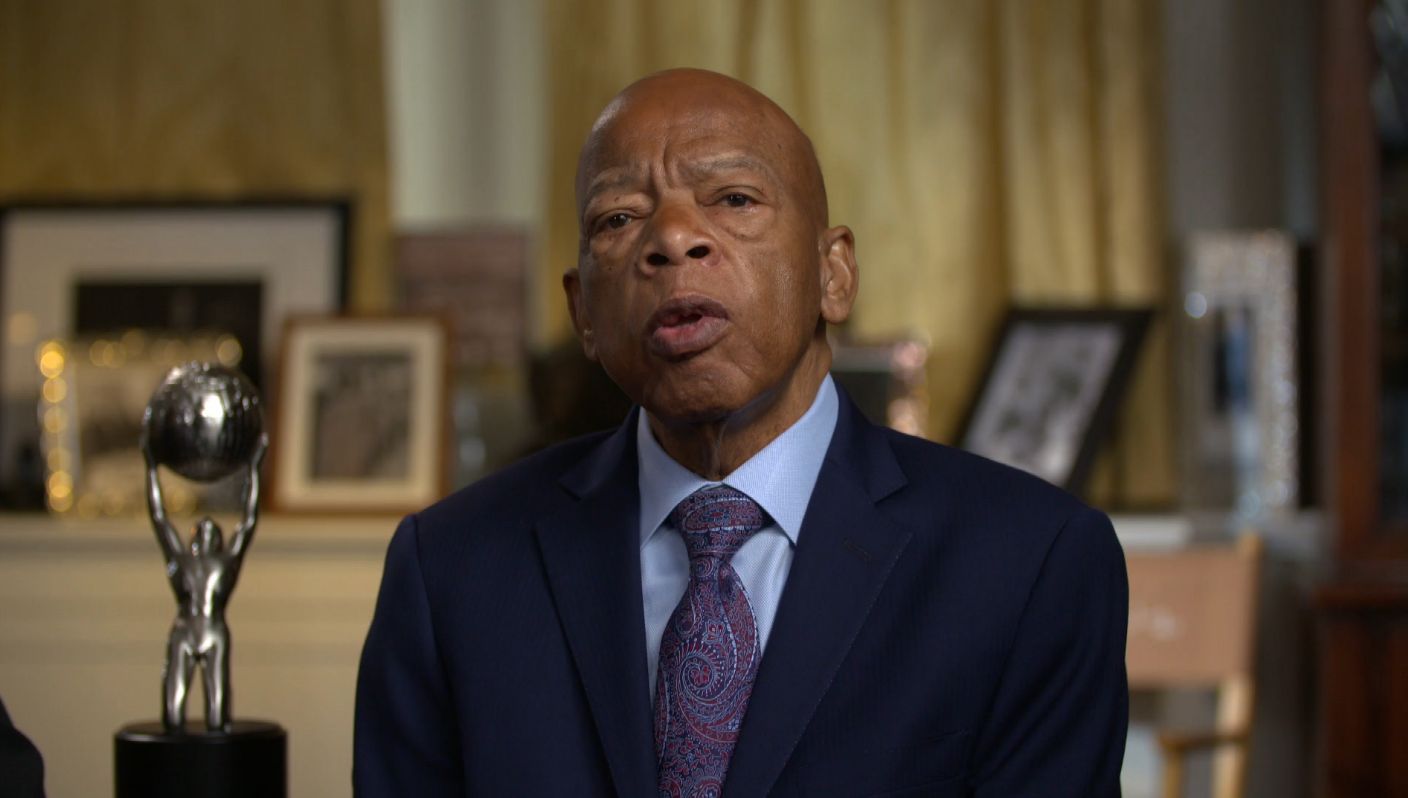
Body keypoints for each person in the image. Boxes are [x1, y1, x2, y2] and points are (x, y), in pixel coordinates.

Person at [354, 68, 1127, 796]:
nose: (673, 239)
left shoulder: (1030, 563)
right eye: (619, 218)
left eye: (732, 199)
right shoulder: (450, 569)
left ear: (834, 274)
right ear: (583, 312)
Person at [143, 433, 267, 731]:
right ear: (194, 539)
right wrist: (151, 468)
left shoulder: (227, 562)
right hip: (184, 631)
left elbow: (249, 520)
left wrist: (254, 467)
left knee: (217, 717)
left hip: (214, 631)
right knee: (173, 715)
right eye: (201, 528)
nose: (206, 530)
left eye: (212, 529)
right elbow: (159, 518)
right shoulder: (180, 560)